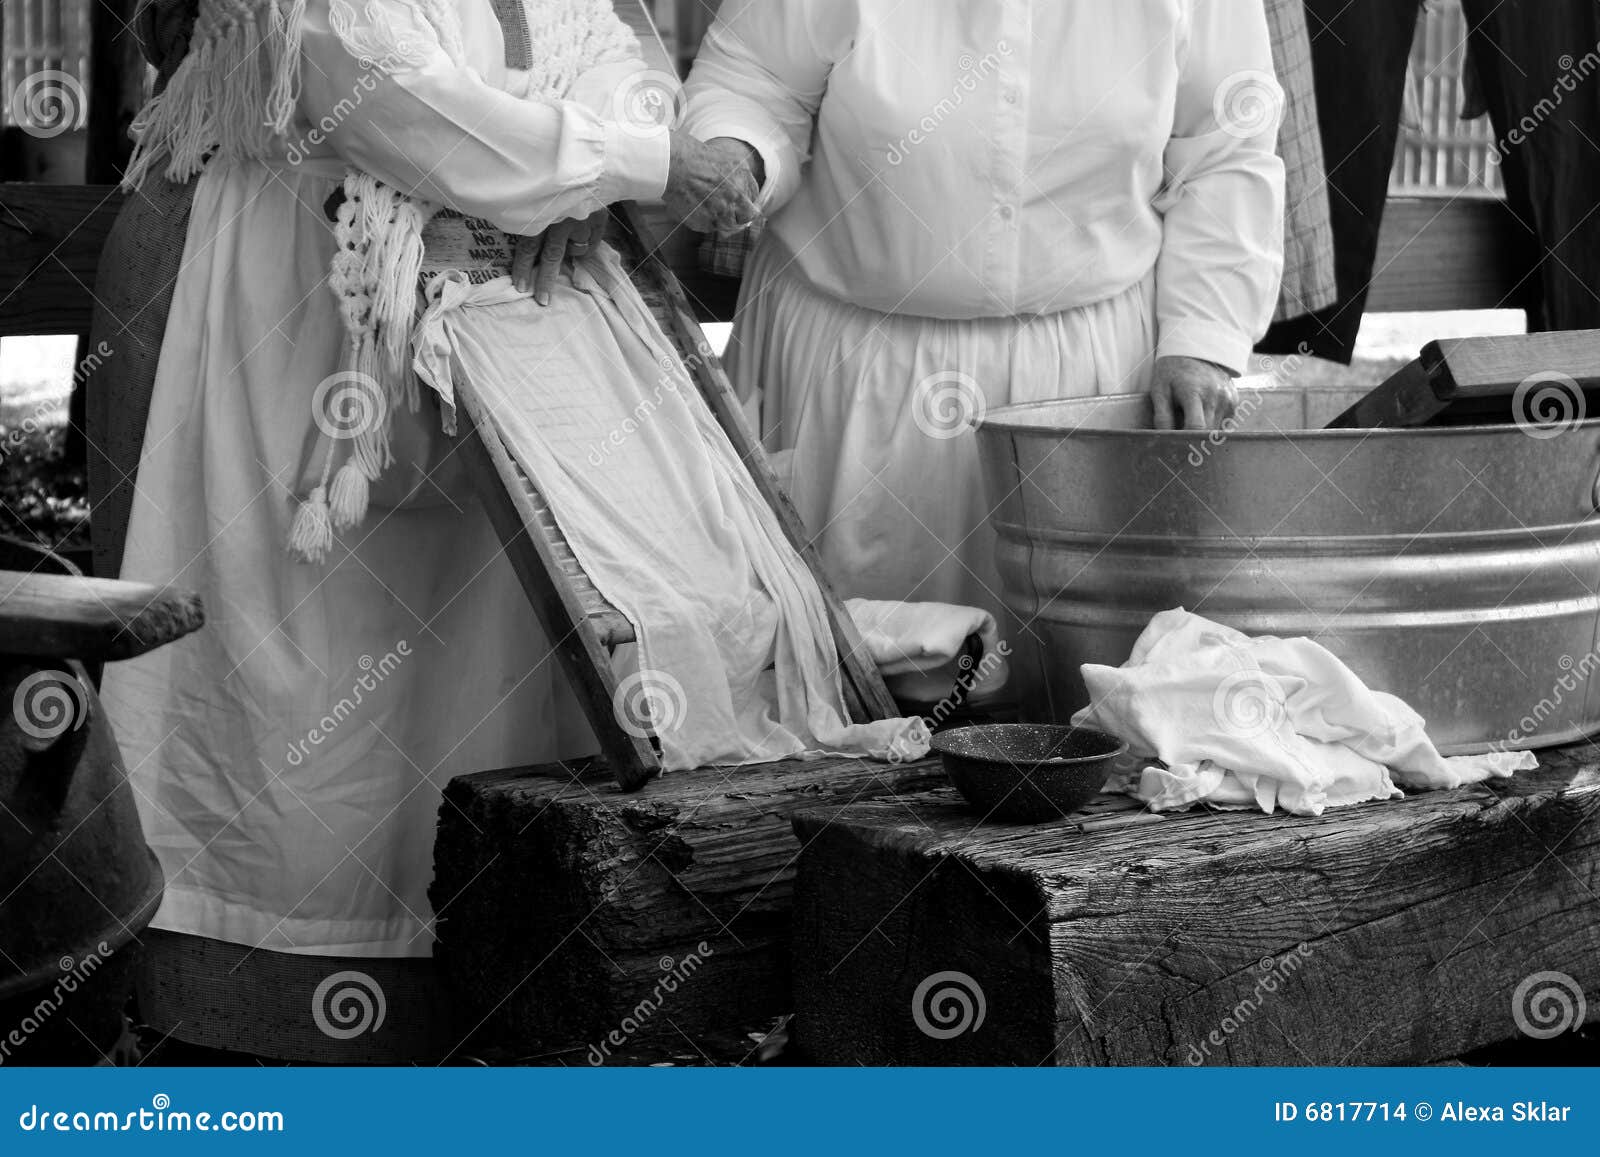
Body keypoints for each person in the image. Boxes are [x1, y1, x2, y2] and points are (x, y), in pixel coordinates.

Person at [101, 0, 751, 968]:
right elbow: (399, 99)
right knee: (314, 704)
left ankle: (457, 983)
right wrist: (629, 165)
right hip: (308, 308)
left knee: (473, 688)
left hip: (487, 320)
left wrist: (576, 180)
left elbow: (602, 45)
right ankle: (275, 1010)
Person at [677, 0, 1286, 616]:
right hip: (852, 372)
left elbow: (1227, 148)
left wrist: (1203, 337)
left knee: (1070, 673)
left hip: (1084, 381)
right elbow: (754, 81)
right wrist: (742, 152)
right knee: (846, 673)